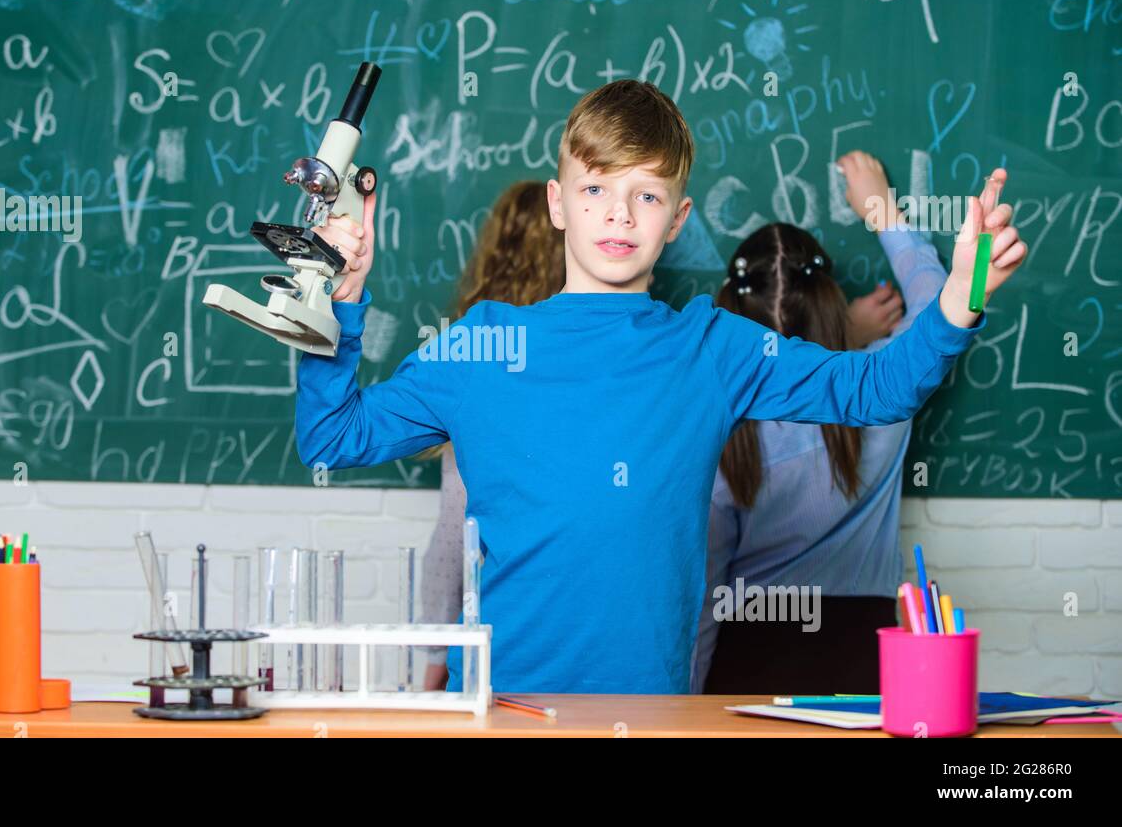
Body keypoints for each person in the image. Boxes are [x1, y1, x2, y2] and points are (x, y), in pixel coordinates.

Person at [296, 79, 1025, 694]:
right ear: (558, 203)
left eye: (647, 196)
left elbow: (876, 388)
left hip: (648, 720)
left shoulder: (708, 349)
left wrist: (957, 301)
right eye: (596, 188)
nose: (618, 212)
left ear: (677, 219)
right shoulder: (483, 347)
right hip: (498, 714)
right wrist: (338, 303)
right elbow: (332, 435)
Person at [691, 151, 950, 695]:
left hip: (746, 658)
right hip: (863, 662)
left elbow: (705, 588)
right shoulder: (882, 399)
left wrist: (684, 706)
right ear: (833, 305)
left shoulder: (715, 426)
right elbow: (941, 313)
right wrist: (882, 210)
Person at [414, 181, 565, 691]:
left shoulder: (477, 361)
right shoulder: (584, 365)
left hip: (499, 641)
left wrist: (435, 656)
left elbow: (455, 536)